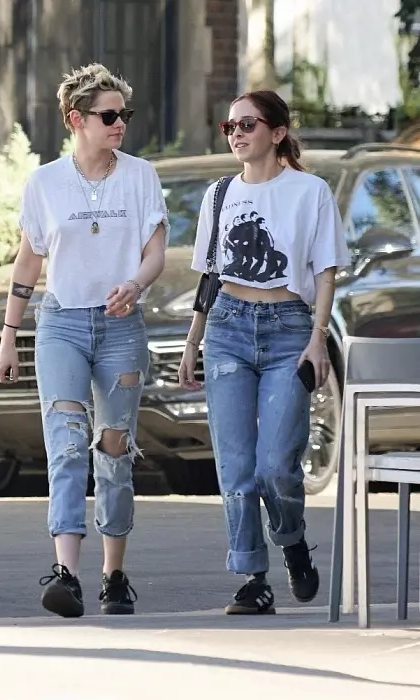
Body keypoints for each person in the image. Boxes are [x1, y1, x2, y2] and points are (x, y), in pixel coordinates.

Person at [0, 63, 169, 618]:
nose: (120, 124)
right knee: (67, 446)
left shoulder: (140, 176)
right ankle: (66, 572)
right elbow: (29, 257)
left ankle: (114, 575)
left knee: (113, 450)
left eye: (124, 114)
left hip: (121, 328)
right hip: (62, 324)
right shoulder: (45, 182)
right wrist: (8, 333)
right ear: (77, 119)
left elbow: (156, 251)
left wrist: (135, 284)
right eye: (109, 115)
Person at [179, 90, 350, 615]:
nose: (236, 134)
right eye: (229, 126)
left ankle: (292, 541)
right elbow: (211, 274)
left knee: (276, 464)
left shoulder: (309, 191)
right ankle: (253, 577)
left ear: (277, 132)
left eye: (247, 124)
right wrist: (193, 340)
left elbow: (326, 270)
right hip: (228, 326)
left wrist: (317, 338)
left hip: (288, 330)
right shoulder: (219, 194)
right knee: (235, 467)